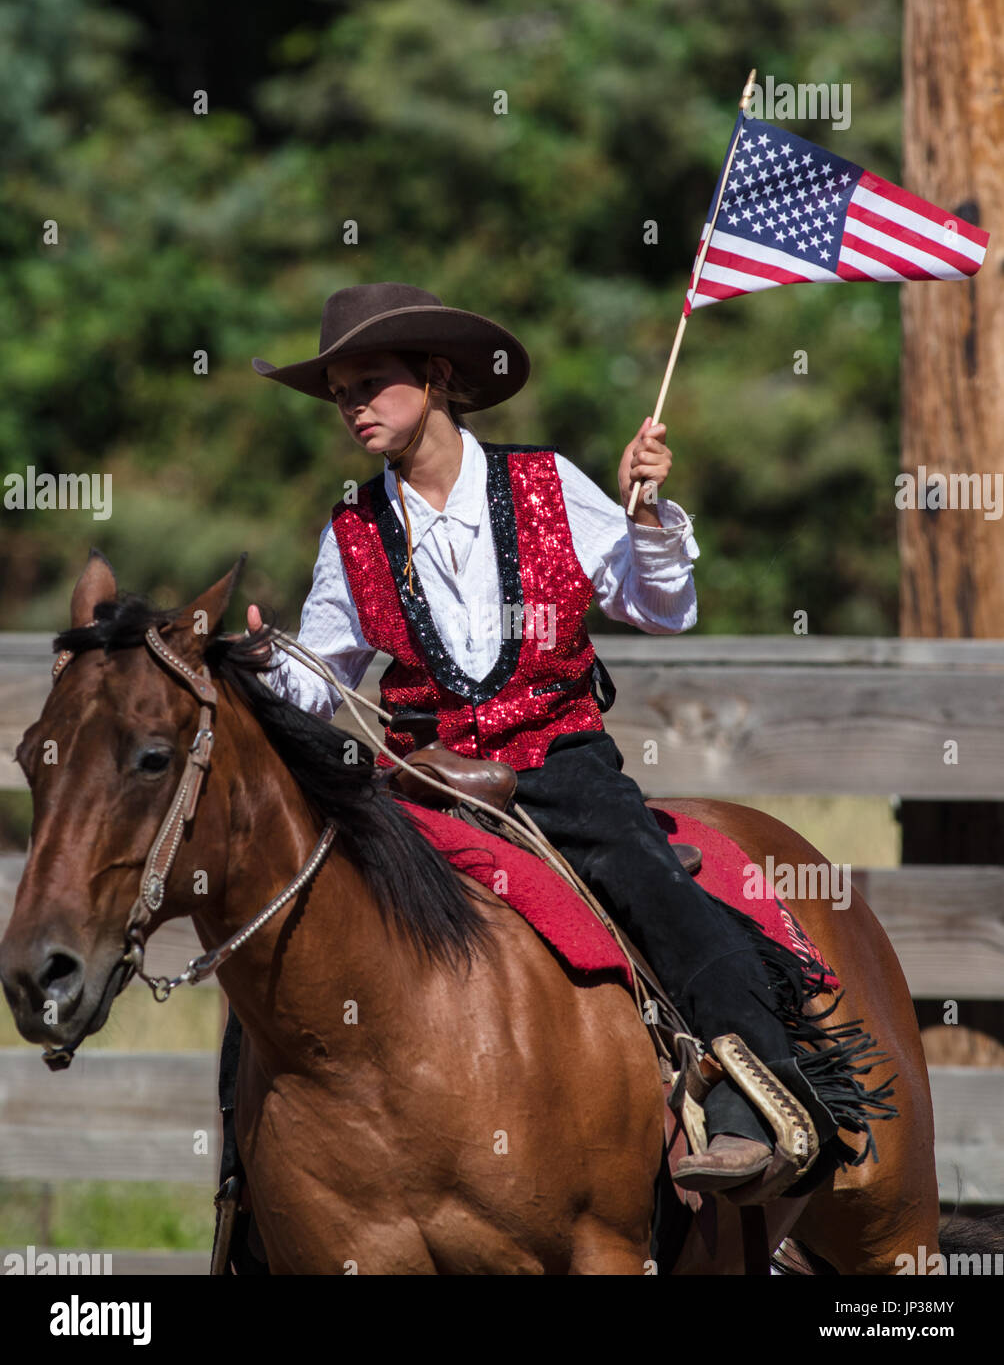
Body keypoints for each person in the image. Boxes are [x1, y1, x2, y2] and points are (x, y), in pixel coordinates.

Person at [233, 281, 892, 1200]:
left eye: (369, 383)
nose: (351, 407)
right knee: (297, 931)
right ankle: (254, 1198)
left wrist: (650, 518)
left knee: (657, 888)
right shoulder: (351, 533)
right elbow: (317, 675)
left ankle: (759, 1102)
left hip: (560, 763)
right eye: (338, 390)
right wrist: (264, 662)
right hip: (423, 783)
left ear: (433, 379)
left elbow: (662, 609)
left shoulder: (545, 484)